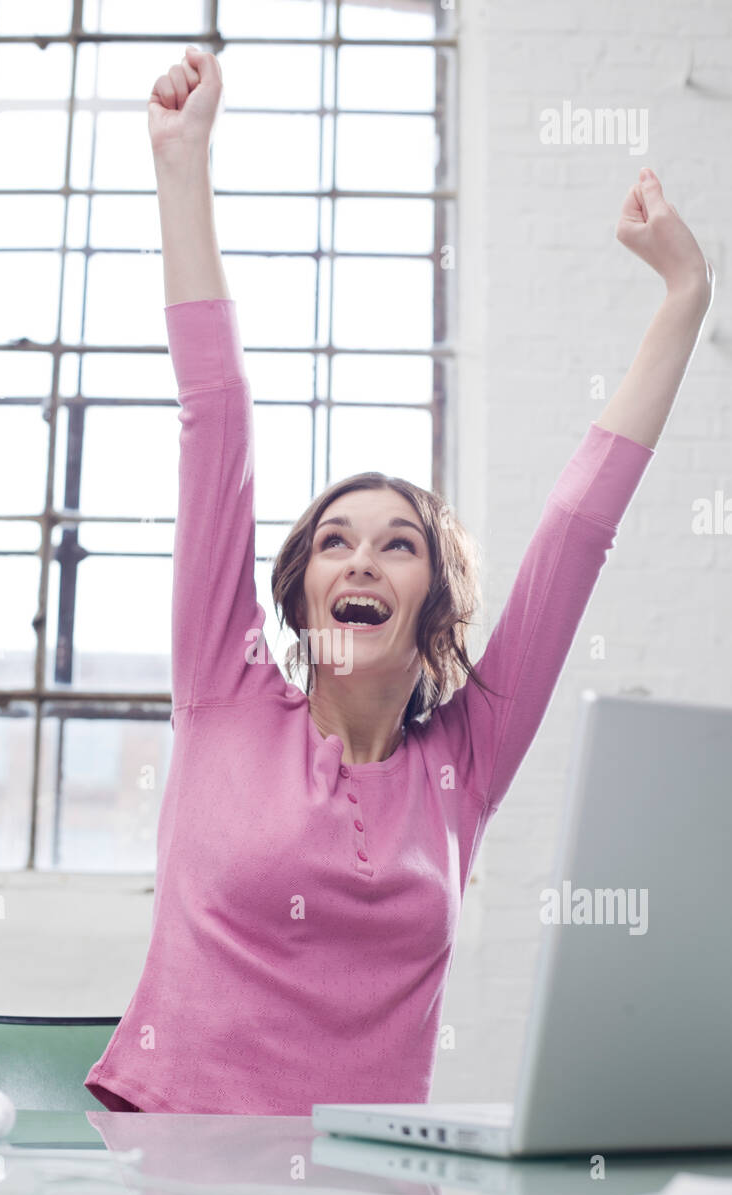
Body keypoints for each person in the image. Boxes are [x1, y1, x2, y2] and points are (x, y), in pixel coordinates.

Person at [85, 46, 714, 1115]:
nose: (361, 558)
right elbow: (216, 412)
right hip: (170, 1163)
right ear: (297, 598)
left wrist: (683, 296)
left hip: (368, 1194)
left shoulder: (463, 761)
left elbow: (574, 528)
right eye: (332, 541)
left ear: (431, 604)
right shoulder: (224, 686)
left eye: (396, 543)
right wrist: (179, 167)